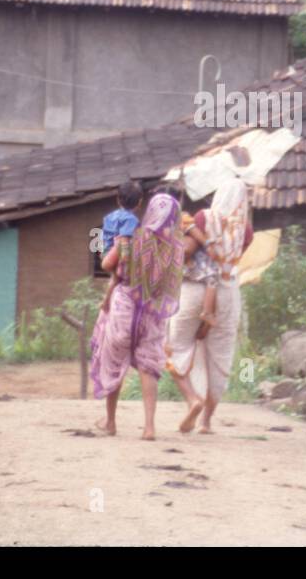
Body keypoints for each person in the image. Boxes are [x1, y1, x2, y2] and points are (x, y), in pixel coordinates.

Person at [89, 192, 183, 440]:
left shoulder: (129, 239)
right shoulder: (173, 249)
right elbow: (170, 285)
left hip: (123, 306)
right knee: (148, 365)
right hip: (152, 312)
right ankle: (149, 427)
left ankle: (110, 421)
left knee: (114, 358)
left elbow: (107, 265)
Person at [166, 179, 253, 434]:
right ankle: (206, 422)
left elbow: (186, 252)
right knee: (220, 356)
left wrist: (183, 236)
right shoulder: (246, 229)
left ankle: (193, 399)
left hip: (195, 289)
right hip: (227, 292)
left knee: (176, 346)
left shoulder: (203, 217)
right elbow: (233, 261)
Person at [100, 181, 143, 312]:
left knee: (113, 279)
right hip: (116, 254)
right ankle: (105, 302)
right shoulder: (131, 219)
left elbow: (104, 235)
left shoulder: (110, 216)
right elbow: (124, 239)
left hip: (105, 251)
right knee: (116, 279)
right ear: (140, 202)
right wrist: (125, 257)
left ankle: (106, 300)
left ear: (118, 199)